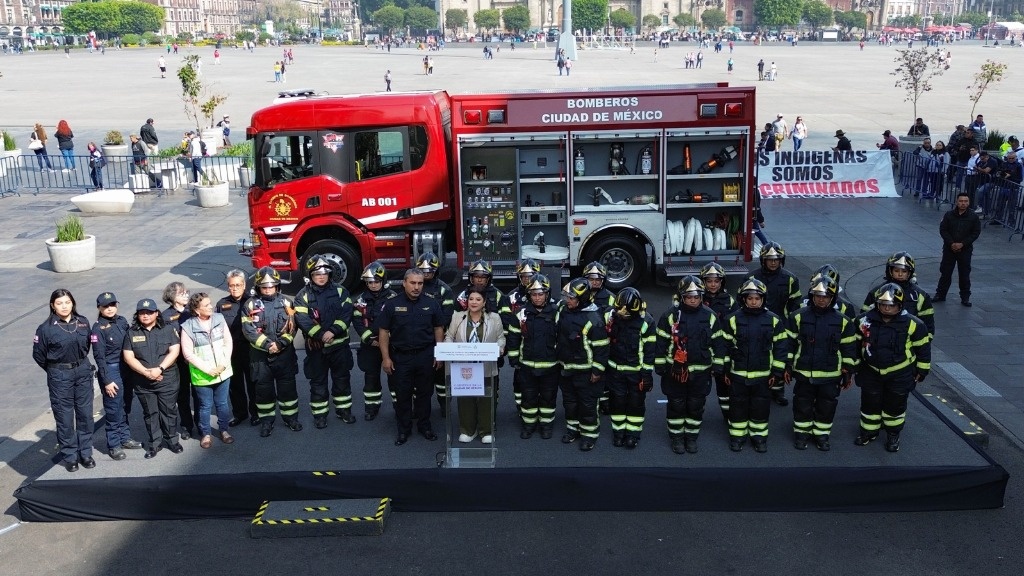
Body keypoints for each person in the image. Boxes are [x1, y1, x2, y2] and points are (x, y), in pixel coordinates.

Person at [854, 283, 931, 453]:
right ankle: (869, 432)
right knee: (869, 404)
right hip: (871, 371)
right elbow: (854, 345)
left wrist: (922, 369)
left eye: (891, 306)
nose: (887, 309)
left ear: (900, 305)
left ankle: (893, 435)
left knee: (895, 406)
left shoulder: (913, 324)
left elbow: (923, 348)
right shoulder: (863, 321)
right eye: (883, 305)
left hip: (900, 373)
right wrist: (853, 366)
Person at [785, 277, 858, 451]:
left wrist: (848, 371)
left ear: (833, 298)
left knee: (827, 406)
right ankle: (801, 434)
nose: (821, 299)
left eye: (826, 296)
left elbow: (849, 348)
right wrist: (786, 366)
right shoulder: (797, 317)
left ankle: (821, 435)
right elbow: (789, 344)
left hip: (830, 374)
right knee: (802, 403)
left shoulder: (843, 321)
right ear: (812, 296)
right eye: (818, 295)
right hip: (804, 372)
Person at [655, 277, 726, 454]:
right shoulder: (670, 316)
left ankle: (692, 437)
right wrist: (660, 365)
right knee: (676, 405)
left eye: (696, 296)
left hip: (701, 372)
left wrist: (718, 365)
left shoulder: (709, 316)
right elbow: (661, 342)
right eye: (688, 296)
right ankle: (677, 438)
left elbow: (718, 343)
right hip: (675, 371)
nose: (693, 300)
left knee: (696, 405)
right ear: (681, 297)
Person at [377, 268, 445, 446]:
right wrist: (386, 358)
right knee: (403, 395)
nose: (416, 287)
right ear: (404, 283)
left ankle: (425, 426)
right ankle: (403, 430)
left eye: (420, 283)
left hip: (425, 355)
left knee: (425, 394)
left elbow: (438, 328)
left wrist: (439, 353)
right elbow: (383, 331)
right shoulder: (392, 304)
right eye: (413, 283)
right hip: (401, 358)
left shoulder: (431, 303)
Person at [721, 278, 789, 453]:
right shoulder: (732, 320)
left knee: (760, 407)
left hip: (763, 375)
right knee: (737, 407)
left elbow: (781, 348)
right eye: (749, 298)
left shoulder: (774, 320)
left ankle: (759, 438)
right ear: (743, 299)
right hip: (738, 375)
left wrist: (777, 372)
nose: (753, 301)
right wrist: (726, 370)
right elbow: (725, 347)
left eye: (757, 298)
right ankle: (737, 437)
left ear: (763, 299)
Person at [33, 289, 96, 472]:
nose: (64, 306)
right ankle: (70, 455)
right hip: (60, 375)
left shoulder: (82, 322)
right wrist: (56, 371)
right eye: (59, 303)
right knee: (65, 417)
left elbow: (87, 346)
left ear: (72, 303)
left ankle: (85, 452)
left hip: (82, 371)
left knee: (85, 414)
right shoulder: (46, 328)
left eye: (67, 302)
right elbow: (38, 355)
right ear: (53, 305)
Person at [294, 255, 357, 428]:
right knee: (318, 382)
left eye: (324, 273)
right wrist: (321, 334)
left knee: (342, 379)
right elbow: (302, 319)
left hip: (340, 347)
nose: (321, 276)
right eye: (317, 273)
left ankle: (343, 410)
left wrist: (333, 331)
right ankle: (320, 415)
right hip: (317, 349)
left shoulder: (340, 291)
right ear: (310, 275)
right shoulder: (303, 295)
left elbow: (347, 313)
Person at [121, 298, 185, 459]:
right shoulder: (132, 332)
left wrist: (160, 369)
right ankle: (155, 443)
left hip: (167, 378)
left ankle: (172, 440)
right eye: (142, 313)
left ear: (156, 313)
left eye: (149, 312)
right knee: (150, 413)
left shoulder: (168, 329)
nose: (146, 315)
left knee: (168, 411)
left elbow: (174, 351)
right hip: (144, 382)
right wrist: (146, 372)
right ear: (137, 315)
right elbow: (128, 357)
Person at [242, 267, 301, 437]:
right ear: (258, 287)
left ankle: (291, 419)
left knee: (288, 389)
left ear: (277, 286)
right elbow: (248, 330)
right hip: (260, 356)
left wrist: (281, 344)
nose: (268, 289)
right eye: (264, 287)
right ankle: (266, 422)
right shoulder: (250, 305)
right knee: (263, 390)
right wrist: (268, 345)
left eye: (271, 286)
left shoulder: (287, 303)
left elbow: (293, 327)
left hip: (284, 355)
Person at [445, 286, 505, 444]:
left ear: (484, 302)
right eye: (471, 299)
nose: (474, 302)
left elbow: (500, 337)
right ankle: (468, 430)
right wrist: (449, 348)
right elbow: (449, 337)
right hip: (463, 367)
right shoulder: (458, 317)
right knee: (465, 398)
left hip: (486, 366)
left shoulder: (494, 318)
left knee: (486, 399)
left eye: (478, 299)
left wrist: (500, 347)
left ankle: (486, 430)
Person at [556, 278, 610, 452]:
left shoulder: (594, 318)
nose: (567, 300)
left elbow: (602, 348)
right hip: (566, 368)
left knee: (587, 405)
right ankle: (573, 429)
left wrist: (597, 370)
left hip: (586, 372)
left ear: (582, 298)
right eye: (567, 297)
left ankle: (589, 435)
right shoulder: (563, 311)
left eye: (571, 297)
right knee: (570, 402)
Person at [507, 274, 560, 440]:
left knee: (548, 398)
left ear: (547, 294)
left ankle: (546, 426)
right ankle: (528, 425)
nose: (537, 297)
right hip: (527, 366)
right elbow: (514, 337)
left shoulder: (557, 312)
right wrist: (514, 359)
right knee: (528, 397)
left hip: (551, 366)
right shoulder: (520, 314)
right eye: (534, 294)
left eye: (540, 294)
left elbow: (562, 338)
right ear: (529, 295)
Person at [90, 292, 143, 460]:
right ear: (99, 308)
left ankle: (125, 437)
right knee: (113, 409)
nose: (110, 308)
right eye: (105, 306)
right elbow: (99, 357)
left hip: (127, 368)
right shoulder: (98, 328)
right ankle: (113, 444)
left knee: (125, 404)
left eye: (112, 304)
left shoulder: (122, 321)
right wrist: (106, 380)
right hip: (111, 370)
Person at [180, 292, 235, 449]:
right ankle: (206, 434)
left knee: (223, 404)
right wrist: (208, 369)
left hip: (223, 371)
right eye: (206, 305)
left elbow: (228, 342)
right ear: (197, 310)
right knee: (205, 406)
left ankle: (224, 431)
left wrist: (223, 364)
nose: (211, 307)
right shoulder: (188, 327)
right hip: (202, 375)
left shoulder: (219, 318)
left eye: (210, 303)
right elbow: (188, 353)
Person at [604, 288, 656, 450]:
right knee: (617, 402)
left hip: (636, 372)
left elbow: (649, 352)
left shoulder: (646, 321)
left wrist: (647, 375)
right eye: (620, 310)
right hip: (615, 370)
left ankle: (633, 434)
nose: (623, 313)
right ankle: (618, 432)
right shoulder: (609, 316)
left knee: (636, 403)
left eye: (627, 311)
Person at [750, 242, 801, 406]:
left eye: (777, 259)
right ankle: (758, 387)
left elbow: (795, 304)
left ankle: (778, 390)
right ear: (763, 260)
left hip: (781, 325)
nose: (773, 262)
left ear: (781, 260)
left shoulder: (790, 279)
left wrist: (791, 325)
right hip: (757, 323)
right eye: (769, 259)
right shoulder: (751, 278)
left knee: (780, 357)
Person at [352, 262, 397, 421]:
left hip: (391, 345)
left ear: (383, 281)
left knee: (395, 377)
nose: (373, 285)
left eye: (376, 282)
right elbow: (357, 322)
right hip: (370, 345)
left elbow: (397, 321)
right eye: (370, 282)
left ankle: (399, 406)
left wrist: (386, 339)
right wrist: (369, 339)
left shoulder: (394, 298)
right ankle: (371, 408)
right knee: (371, 378)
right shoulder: (360, 300)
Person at [415, 252, 455, 415]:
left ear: (436, 271)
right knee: (420, 376)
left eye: (429, 271)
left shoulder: (444, 289)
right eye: (423, 271)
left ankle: (444, 405)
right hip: (419, 339)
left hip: (439, 338)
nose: (426, 274)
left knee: (441, 377)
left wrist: (432, 330)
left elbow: (447, 315)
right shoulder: (415, 285)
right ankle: (420, 408)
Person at [216, 269, 258, 426]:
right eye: (232, 285)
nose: (235, 288)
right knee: (235, 384)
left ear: (244, 285)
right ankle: (240, 414)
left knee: (253, 382)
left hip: (250, 349)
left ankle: (256, 413)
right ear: (228, 286)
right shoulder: (222, 304)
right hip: (231, 351)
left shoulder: (253, 301)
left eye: (238, 285)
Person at [862, 252, 935, 336]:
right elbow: (864, 318)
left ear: (909, 273)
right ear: (890, 271)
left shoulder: (920, 295)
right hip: (879, 338)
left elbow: (928, 324)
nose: (900, 274)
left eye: (904, 271)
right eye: (896, 270)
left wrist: (924, 343)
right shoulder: (876, 292)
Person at [700, 262, 737, 423]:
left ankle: (728, 415)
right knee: (699, 386)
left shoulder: (730, 301)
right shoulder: (696, 298)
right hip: (702, 350)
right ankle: (695, 414)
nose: (713, 284)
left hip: (723, 350)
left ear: (722, 282)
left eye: (716, 281)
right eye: (709, 281)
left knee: (725, 386)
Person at [161, 281, 198, 440]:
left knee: (199, 394)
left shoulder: (194, 310)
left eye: (186, 292)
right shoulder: (165, 316)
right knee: (182, 395)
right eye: (181, 293)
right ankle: (187, 426)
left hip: (195, 358)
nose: (186, 295)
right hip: (178, 362)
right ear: (172, 297)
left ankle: (201, 424)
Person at [934, 192, 982, 306]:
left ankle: (965, 297)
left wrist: (962, 244)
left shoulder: (973, 217)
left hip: (965, 250)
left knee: (964, 274)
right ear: (956, 202)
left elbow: (975, 233)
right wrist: (951, 243)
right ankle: (940, 294)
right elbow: (943, 230)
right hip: (949, 249)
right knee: (945, 273)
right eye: (961, 201)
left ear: (969, 203)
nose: (963, 204)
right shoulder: (949, 215)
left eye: (966, 201)